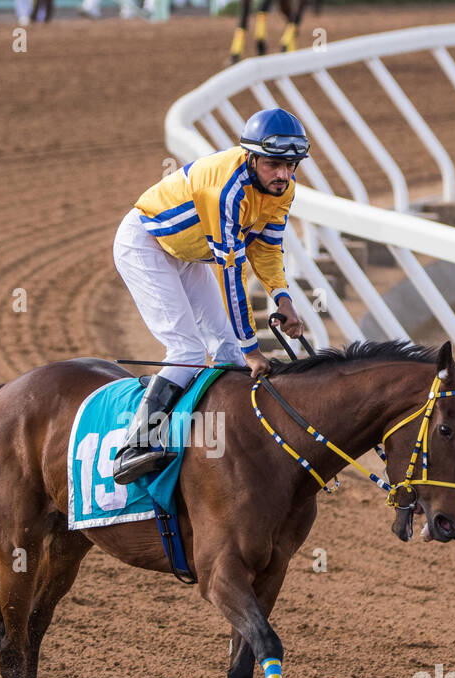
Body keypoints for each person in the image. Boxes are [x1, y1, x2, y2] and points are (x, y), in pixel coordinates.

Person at [110, 108, 308, 484]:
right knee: (187, 351)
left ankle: (215, 443)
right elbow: (232, 274)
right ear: (251, 158)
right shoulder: (226, 189)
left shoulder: (283, 188)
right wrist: (253, 349)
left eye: (291, 165)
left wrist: (284, 299)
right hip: (147, 244)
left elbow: (267, 248)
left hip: (188, 253)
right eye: (274, 165)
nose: (283, 174)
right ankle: (136, 444)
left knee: (228, 353)